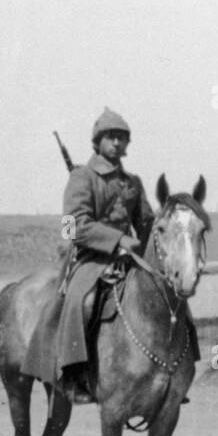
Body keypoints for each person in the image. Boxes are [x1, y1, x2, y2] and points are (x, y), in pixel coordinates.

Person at [44, 107, 156, 403]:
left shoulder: (133, 182)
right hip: (90, 258)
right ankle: (74, 374)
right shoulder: (82, 177)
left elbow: (146, 223)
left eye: (122, 138)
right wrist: (117, 239)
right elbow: (71, 227)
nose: (117, 143)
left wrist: (148, 247)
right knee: (81, 301)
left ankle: (174, 371)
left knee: (167, 294)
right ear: (98, 141)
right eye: (111, 137)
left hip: (129, 259)